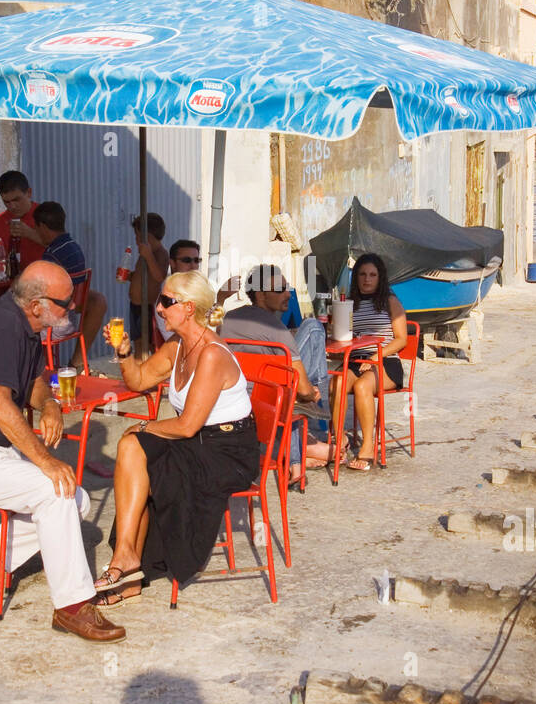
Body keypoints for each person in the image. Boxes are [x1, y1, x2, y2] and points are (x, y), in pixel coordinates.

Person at [0, 260, 125, 642]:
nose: (73, 310)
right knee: (56, 489)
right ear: (37, 305)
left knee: (76, 501)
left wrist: (48, 404)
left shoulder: (26, 327)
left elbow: (33, 382)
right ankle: (72, 607)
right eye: (66, 303)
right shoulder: (4, 327)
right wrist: (46, 462)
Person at [93, 271, 259, 606]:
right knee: (132, 449)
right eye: (160, 300)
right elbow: (139, 381)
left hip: (227, 451)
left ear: (187, 307)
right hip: (197, 440)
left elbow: (185, 426)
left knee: (140, 455)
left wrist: (142, 428)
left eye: (166, 302)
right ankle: (126, 560)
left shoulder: (211, 354)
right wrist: (125, 354)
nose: (158, 308)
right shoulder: (177, 346)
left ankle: (127, 568)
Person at [219, 263, 332, 484]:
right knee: (313, 327)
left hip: (244, 397)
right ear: (261, 295)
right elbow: (302, 389)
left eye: (287, 288)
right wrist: (312, 394)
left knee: (287, 385)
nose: (287, 294)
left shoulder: (230, 319)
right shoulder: (279, 333)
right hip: (276, 403)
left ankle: (296, 461)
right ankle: (320, 429)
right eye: (280, 290)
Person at [340, 253, 407, 472]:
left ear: (380, 278)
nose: (367, 279)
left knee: (362, 387)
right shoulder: (350, 304)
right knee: (336, 384)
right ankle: (339, 441)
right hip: (357, 360)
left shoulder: (390, 301)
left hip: (385, 360)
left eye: (372, 275)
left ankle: (368, 446)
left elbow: (401, 339)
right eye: (362, 274)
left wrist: (376, 357)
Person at [34, 200, 108, 360]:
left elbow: (44, 297)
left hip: (55, 326)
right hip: (73, 321)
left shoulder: (52, 255)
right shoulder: (74, 247)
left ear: (43, 227)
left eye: (37, 229)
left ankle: (35, 371)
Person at [0, 171, 45, 277]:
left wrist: (30, 233)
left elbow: (63, 248)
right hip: (8, 287)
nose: (12, 206)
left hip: (44, 284)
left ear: (29, 193)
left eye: (17, 199)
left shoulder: (46, 215)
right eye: (7, 202)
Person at [128, 212, 170, 354]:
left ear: (148, 237)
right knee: (138, 342)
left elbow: (159, 276)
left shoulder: (160, 253)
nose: (136, 240)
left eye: (137, 236)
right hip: (136, 306)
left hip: (148, 307)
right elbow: (144, 276)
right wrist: (130, 276)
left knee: (151, 343)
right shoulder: (144, 254)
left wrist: (149, 256)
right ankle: (139, 369)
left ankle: (150, 370)